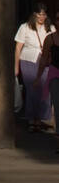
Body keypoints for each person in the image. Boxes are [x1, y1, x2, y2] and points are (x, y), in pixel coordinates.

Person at [15, 3, 53, 132]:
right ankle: (32, 119)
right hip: (28, 60)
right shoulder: (25, 27)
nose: (42, 17)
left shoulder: (50, 28)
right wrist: (16, 67)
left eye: (44, 14)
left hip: (45, 61)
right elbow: (18, 48)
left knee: (44, 90)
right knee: (32, 89)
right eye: (39, 14)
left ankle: (40, 119)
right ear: (34, 14)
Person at [36, 22, 59, 153]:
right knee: (58, 107)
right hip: (55, 75)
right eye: (57, 18)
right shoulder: (50, 38)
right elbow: (44, 58)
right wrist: (38, 77)